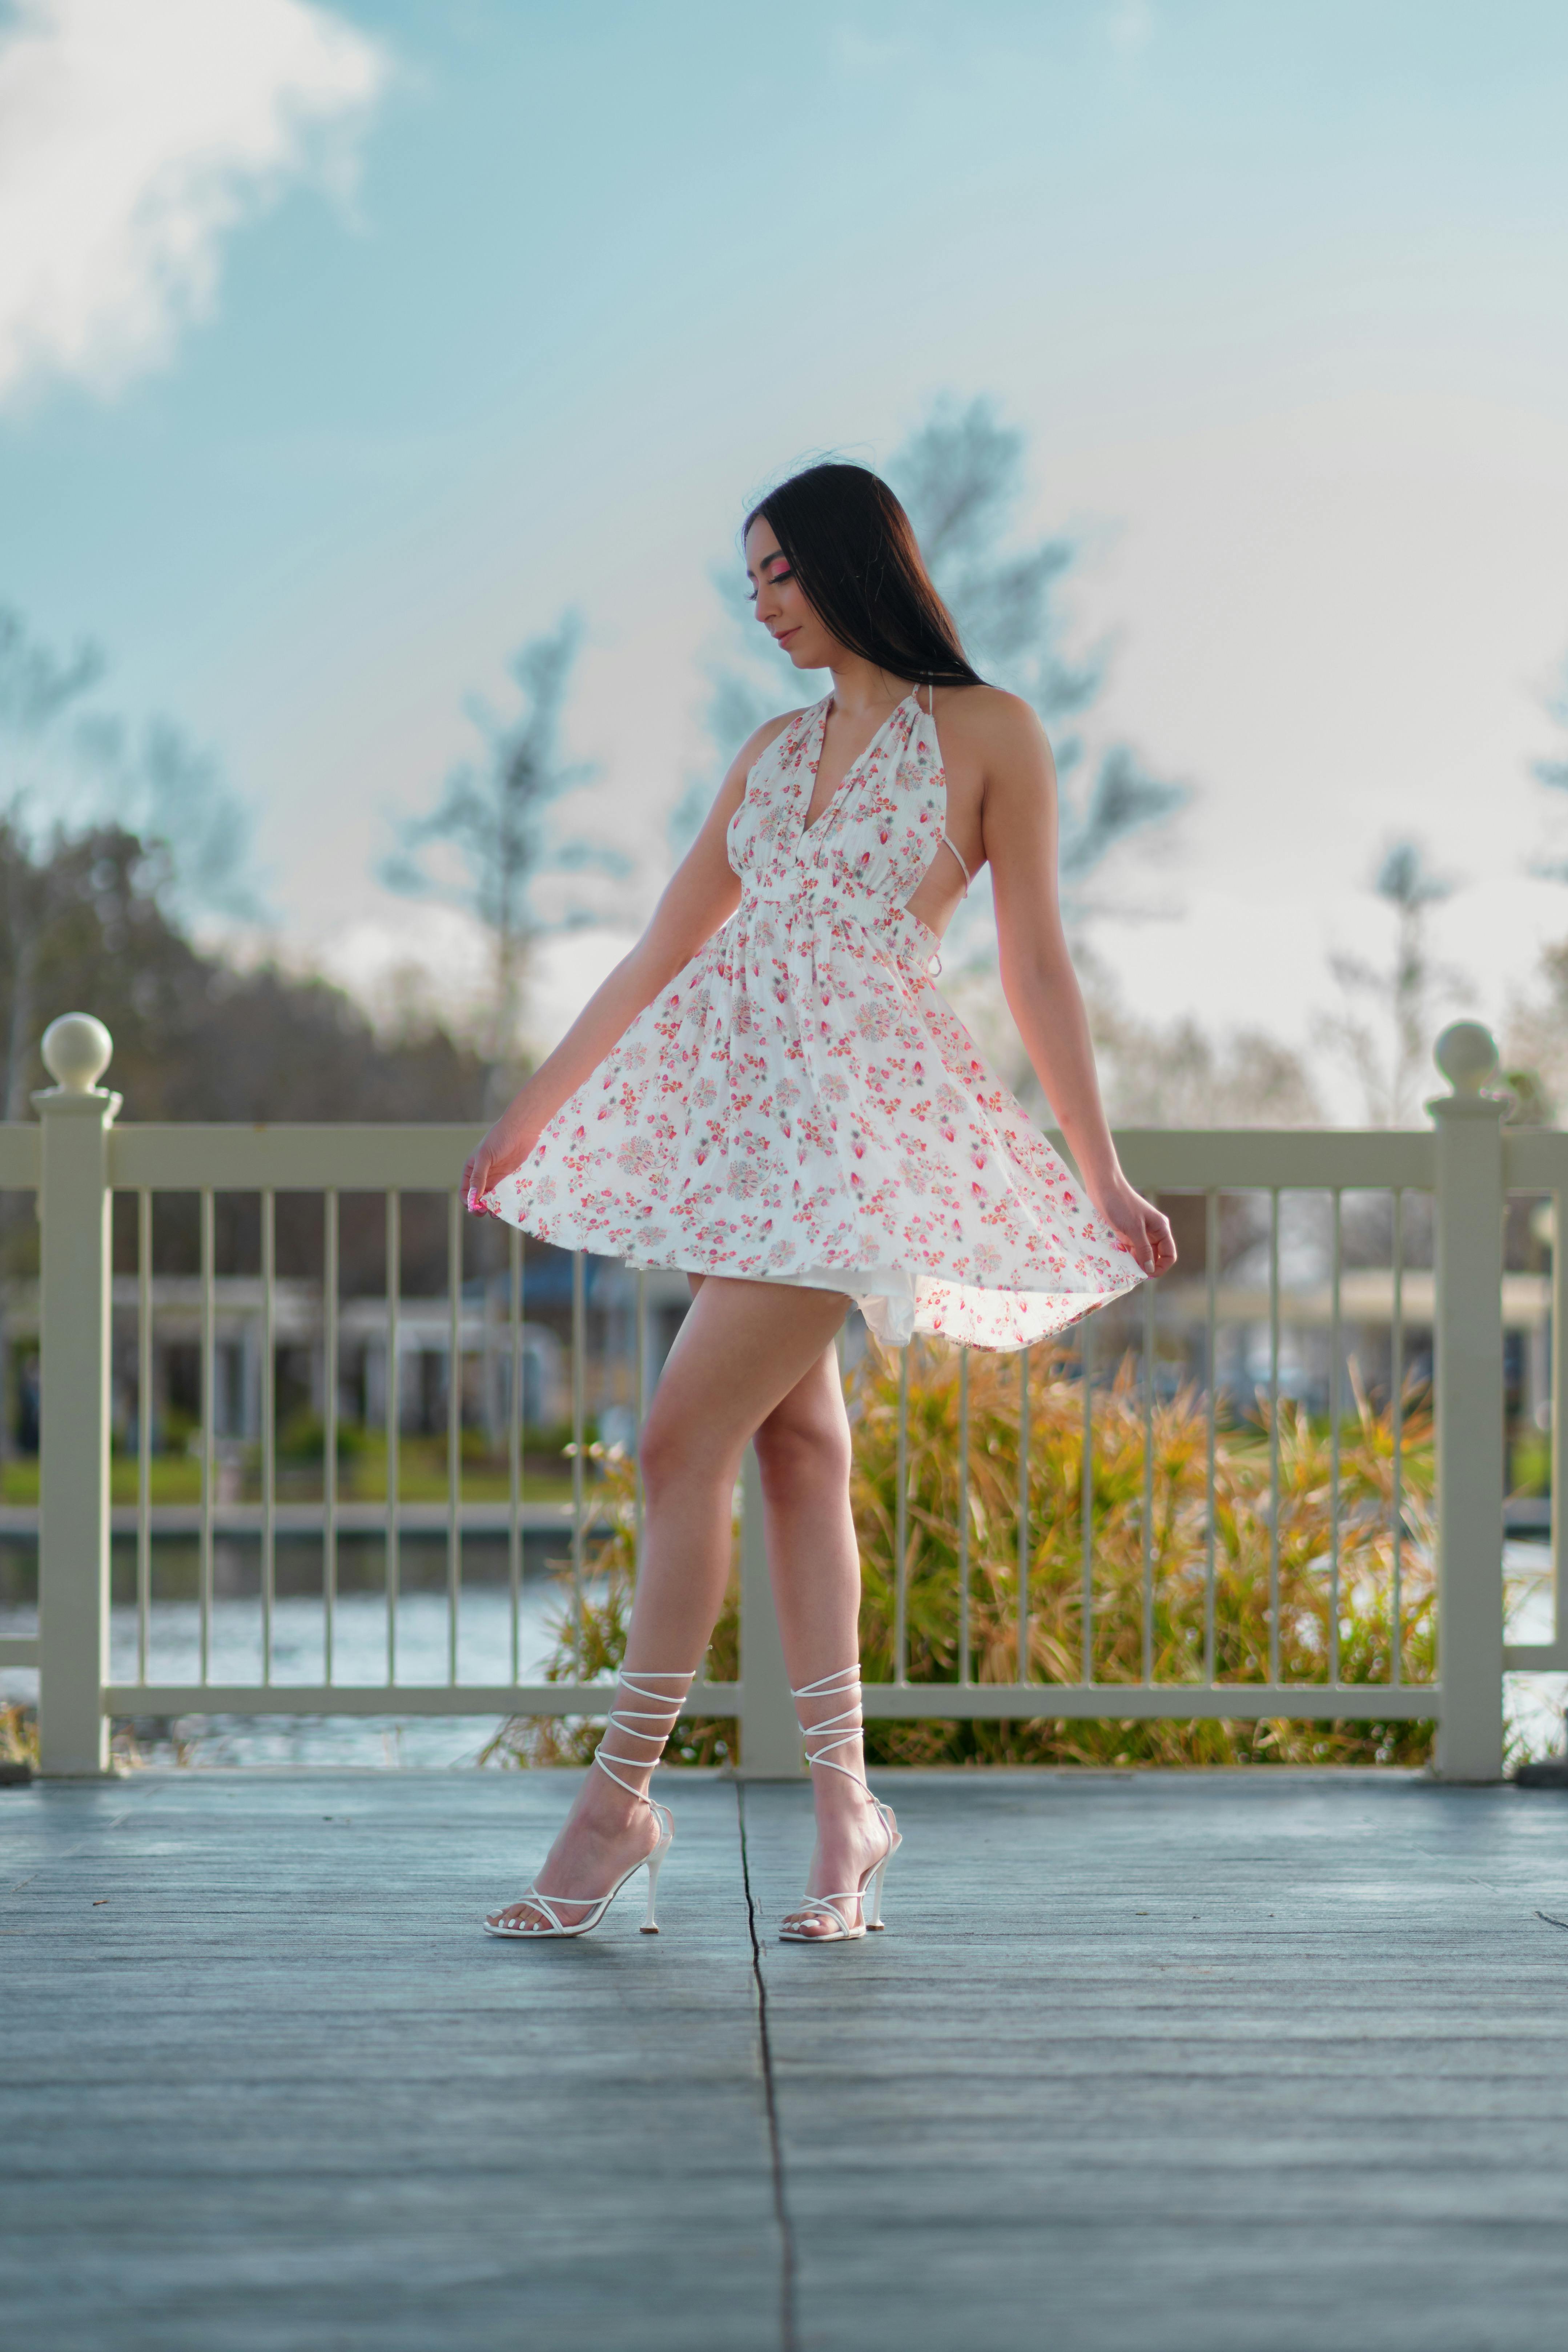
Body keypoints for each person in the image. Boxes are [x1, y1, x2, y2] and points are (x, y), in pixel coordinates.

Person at [464, 461, 1176, 1944]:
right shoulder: (770, 753)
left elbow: (1038, 964)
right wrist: (529, 1112)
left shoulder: (990, 733)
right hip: (751, 1146)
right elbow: (661, 948)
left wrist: (1095, 1165)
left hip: (861, 1146)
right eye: (751, 583)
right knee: (792, 1455)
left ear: (853, 562)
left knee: (674, 1440)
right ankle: (848, 1810)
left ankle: (616, 1800)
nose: (762, 603)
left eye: (779, 572)